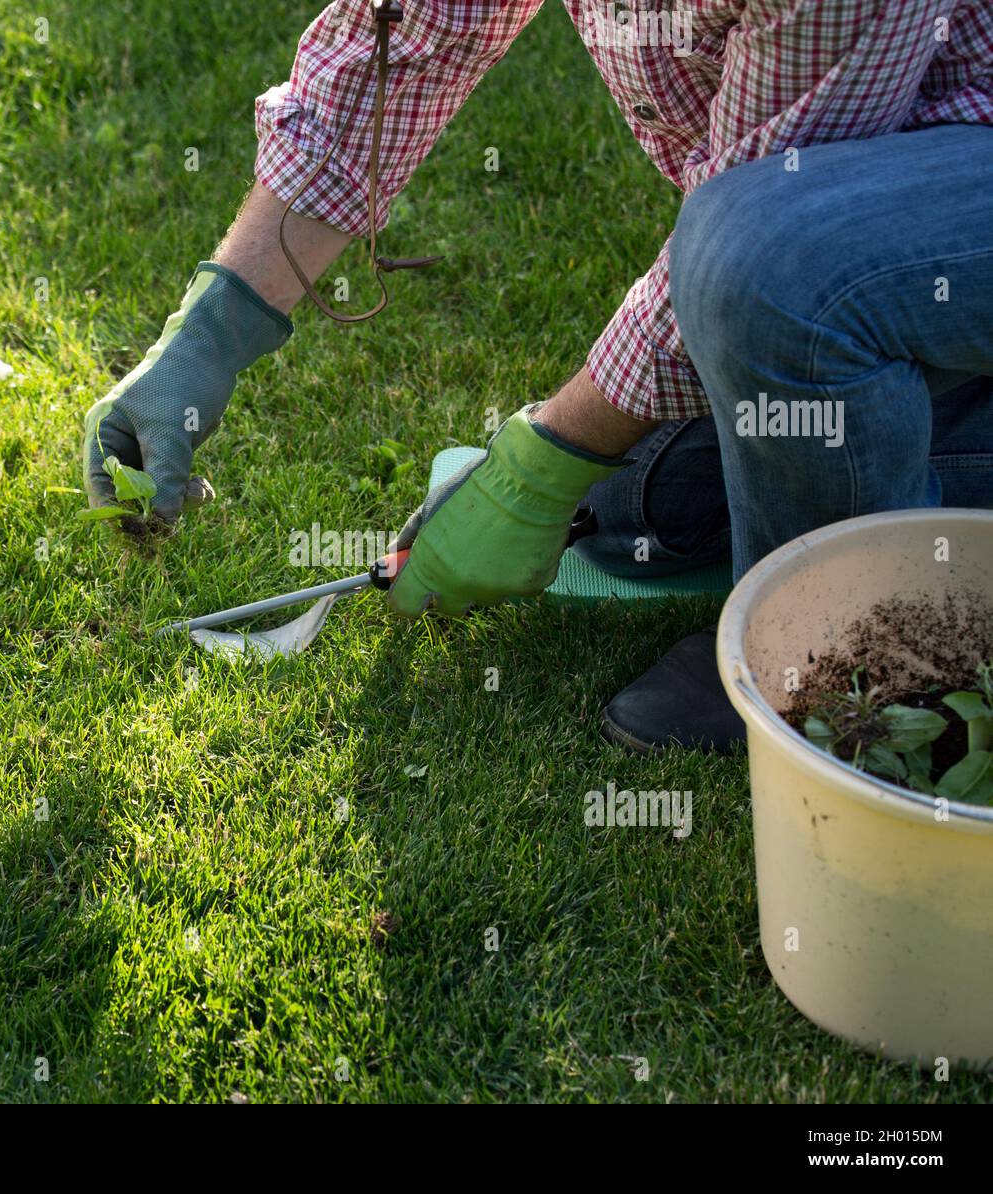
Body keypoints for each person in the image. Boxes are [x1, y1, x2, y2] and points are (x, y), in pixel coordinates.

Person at [82, 1, 993, 752]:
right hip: (892, 253)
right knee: (639, 503)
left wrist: (542, 462)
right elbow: (400, 45)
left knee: (767, 263)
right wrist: (209, 332)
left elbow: (770, 221)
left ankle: (828, 660)